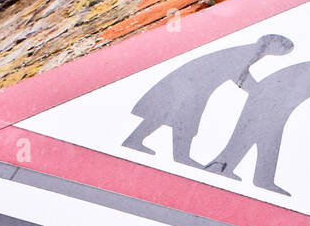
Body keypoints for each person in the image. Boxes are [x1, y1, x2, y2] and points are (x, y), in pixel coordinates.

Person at [205, 50, 310, 196]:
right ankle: (222, 166)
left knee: (268, 139)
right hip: (269, 99)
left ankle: (261, 178)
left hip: (274, 101)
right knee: (248, 135)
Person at [121, 33, 294, 166]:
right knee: (172, 113)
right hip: (191, 83)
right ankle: (157, 148)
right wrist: (258, 92)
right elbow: (239, 74)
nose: (280, 52)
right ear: (272, 43)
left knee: (176, 116)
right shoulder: (249, 51)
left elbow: (239, 73)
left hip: (196, 84)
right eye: (282, 48)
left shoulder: (251, 53)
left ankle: (177, 155)